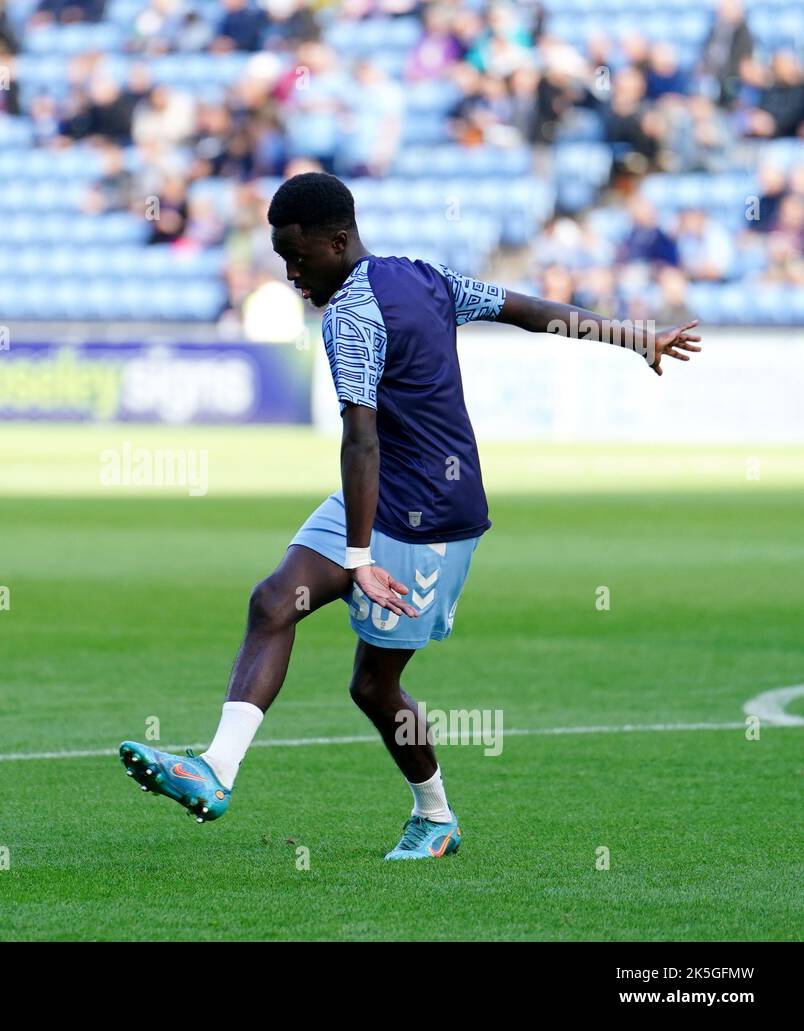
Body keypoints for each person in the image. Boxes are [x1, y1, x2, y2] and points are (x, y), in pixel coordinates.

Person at [120, 172, 701, 859]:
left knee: (374, 683)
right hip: (383, 494)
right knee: (273, 599)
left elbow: (359, 436)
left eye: (299, 257)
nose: (290, 273)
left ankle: (437, 818)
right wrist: (630, 337)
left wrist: (360, 558)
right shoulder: (423, 276)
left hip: (428, 516)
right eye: (282, 258)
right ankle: (217, 768)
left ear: (337, 240)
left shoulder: (352, 315)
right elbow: (522, 308)